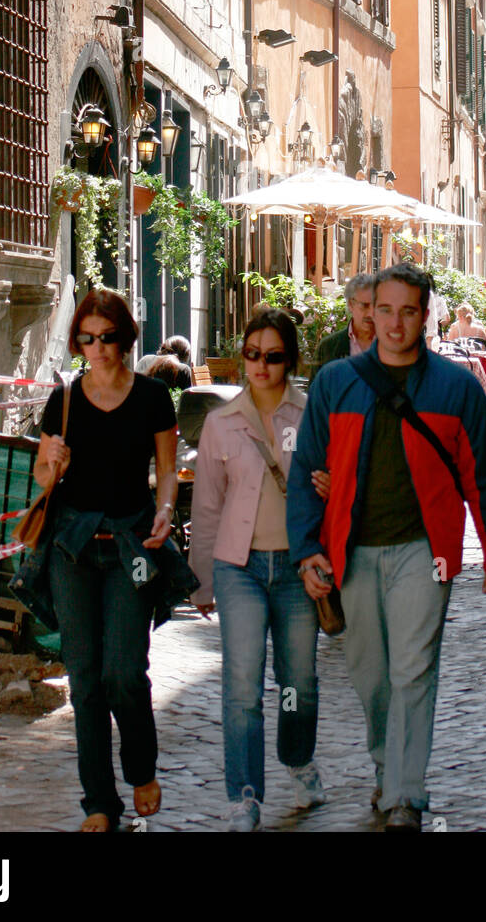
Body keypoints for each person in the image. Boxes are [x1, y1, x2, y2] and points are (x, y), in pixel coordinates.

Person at [287, 262, 486, 832]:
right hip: (352, 550)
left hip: (426, 548)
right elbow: (305, 472)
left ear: (424, 314)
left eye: (406, 311)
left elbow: (484, 472)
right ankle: (389, 767)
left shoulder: (457, 387)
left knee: (414, 667)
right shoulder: (335, 383)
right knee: (370, 673)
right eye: (382, 310)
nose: (392, 322)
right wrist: (308, 548)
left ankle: (405, 795)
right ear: (368, 313)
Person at [33, 288, 180, 832]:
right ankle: (99, 803)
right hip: (73, 548)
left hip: (128, 546)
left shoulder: (151, 398)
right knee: (85, 679)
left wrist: (166, 509)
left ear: (125, 337)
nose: (97, 349)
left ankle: (141, 769)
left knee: (123, 671)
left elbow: (166, 468)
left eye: (108, 338)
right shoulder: (64, 400)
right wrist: (51, 464)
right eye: (87, 339)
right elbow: (44, 481)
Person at [189, 308, 325, 832]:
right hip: (238, 568)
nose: (260, 366)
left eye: (272, 356)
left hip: (296, 566)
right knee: (242, 685)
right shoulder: (221, 424)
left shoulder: (311, 415)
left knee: (299, 681)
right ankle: (243, 796)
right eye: (251, 355)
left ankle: (298, 760)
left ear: (288, 359)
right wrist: (202, 579)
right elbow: (206, 508)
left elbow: (325, 485)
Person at [310, 272, 375, 379]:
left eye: (376, 305)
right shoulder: (328, 348)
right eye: (365, 306)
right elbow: (315, 393)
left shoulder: (392, 346)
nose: (371, 313)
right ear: (350, 304)